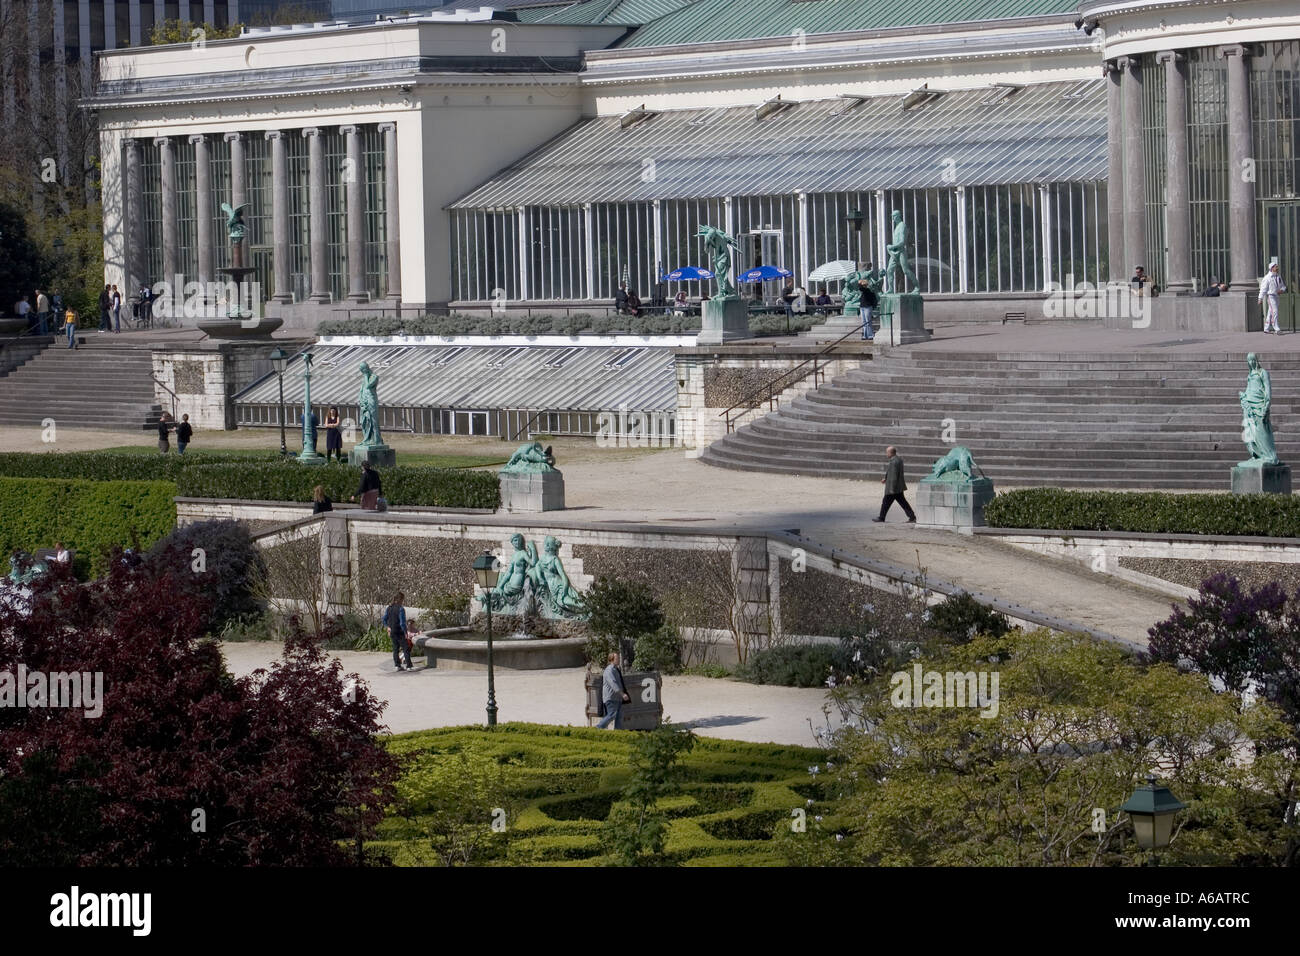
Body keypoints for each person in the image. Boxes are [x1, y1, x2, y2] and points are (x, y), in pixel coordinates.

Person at [872, 445, 916, 523]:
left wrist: (891, 489)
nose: (886, 454)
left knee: (885, 503)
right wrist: (886, 478)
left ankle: (881, 518)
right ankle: (912, 516)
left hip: (893, 488)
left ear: (890, 453)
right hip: (898, 487)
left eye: (887, 452)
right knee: (903, 502)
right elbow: (893, 473)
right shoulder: (898, 460)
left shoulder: (894, 462)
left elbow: (894, 476)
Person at [595, 651, 631, 730]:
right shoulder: (609, 670)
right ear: (611, 659)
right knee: (612, 715)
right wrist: (622, 694)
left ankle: (618, 734)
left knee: (619, 717)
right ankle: (598, 728)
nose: (618, 660)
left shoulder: (616, 669)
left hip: (617, 698)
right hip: (610, 698)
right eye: (616, 658)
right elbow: (613, 684)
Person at [384, 592, 412, 671]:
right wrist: (405, 632)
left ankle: (397, 665)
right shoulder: (401, 609)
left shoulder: (389, 608)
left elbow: (384, 619)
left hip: (392, 631)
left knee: (395, 649)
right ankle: (409, 666)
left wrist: (388, 627)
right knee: (406, 648)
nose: (403, 601)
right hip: (399, 631)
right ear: (400, 599)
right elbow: (402, 623)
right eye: (403, 599)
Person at [1259, 261, 1286, 334]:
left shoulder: (1278, 276)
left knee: (1270, 312)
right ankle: (1276, 328)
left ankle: (1266, 328)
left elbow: (1283, 286)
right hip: (1271, 296)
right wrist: (1260, 298)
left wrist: (1282, 290)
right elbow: (1263, 289)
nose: (1277, 268)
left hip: (1277, 296)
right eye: (1275, 267)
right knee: (1275, 311)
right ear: (1271, 268)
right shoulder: (1267, 278)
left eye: (1277, 266)